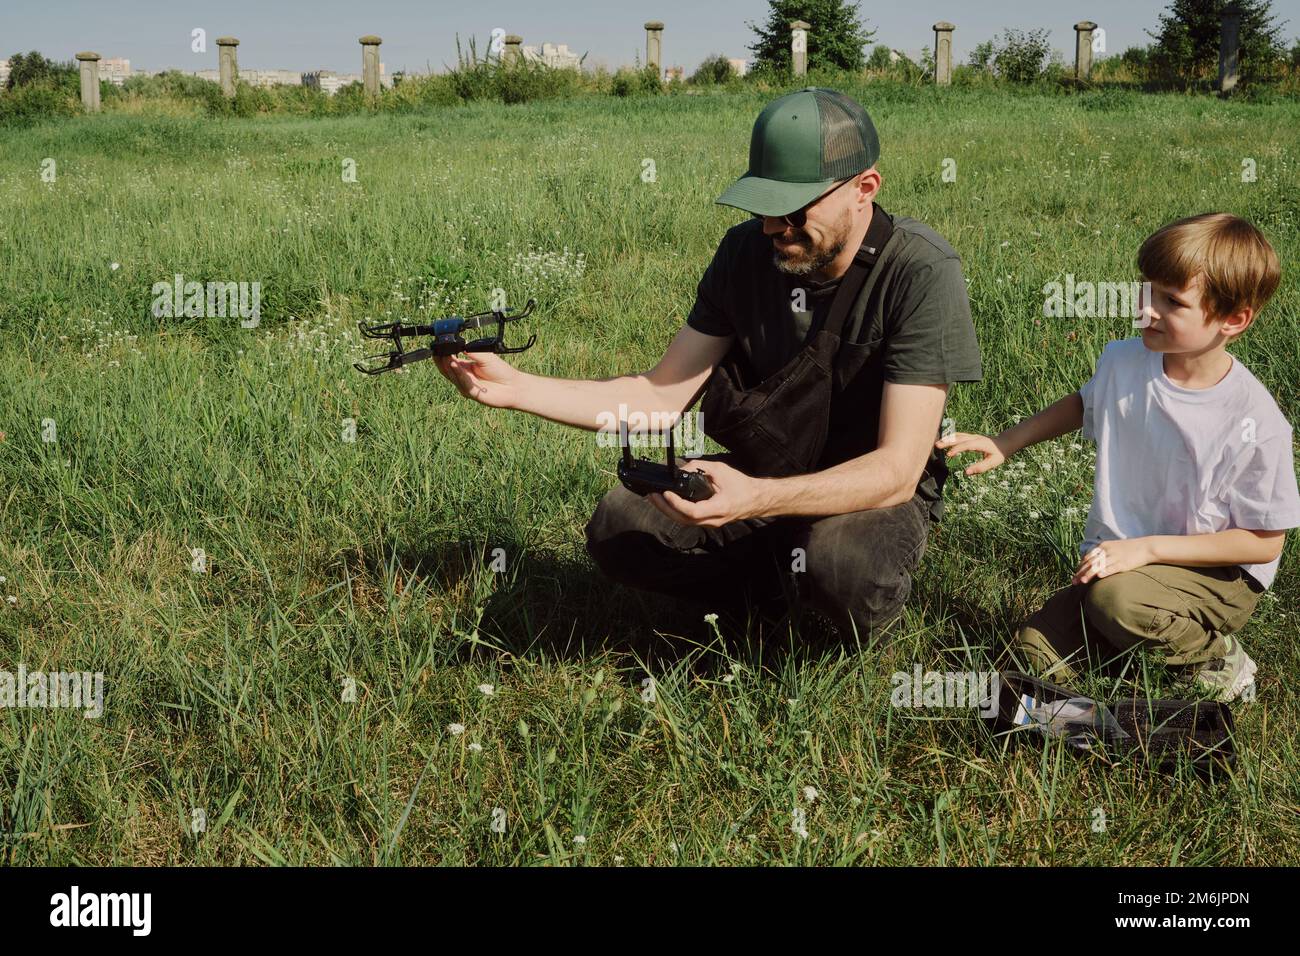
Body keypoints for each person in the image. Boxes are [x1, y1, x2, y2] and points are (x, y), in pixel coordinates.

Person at [436, 87, 982, 641]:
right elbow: (658, 396)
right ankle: (765, 589)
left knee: (843, 566)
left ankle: (815, 596)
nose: (772, 228)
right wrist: (514, 387)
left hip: (867, 497)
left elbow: (896, 471)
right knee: (620, 526)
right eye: (761, 208)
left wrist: (761, 497)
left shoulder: (920, 270)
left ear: (863, 189)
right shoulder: (745, 254)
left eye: (791, 210)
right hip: (758, 477)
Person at [938, 212, 1300, 701]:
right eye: (1145, 290)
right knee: (1033, 650)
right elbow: (1085, 403)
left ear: (1233, 319)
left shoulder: (1253, 420)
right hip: (1128, 566)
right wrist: (1007, 442)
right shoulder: (1125, 361)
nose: (1146, 310)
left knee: (1117, 602)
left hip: (1216, 576)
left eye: (1171, 301)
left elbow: (1262, 543)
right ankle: (1115, 675)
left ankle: (1216, 659)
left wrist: (1146, 549)